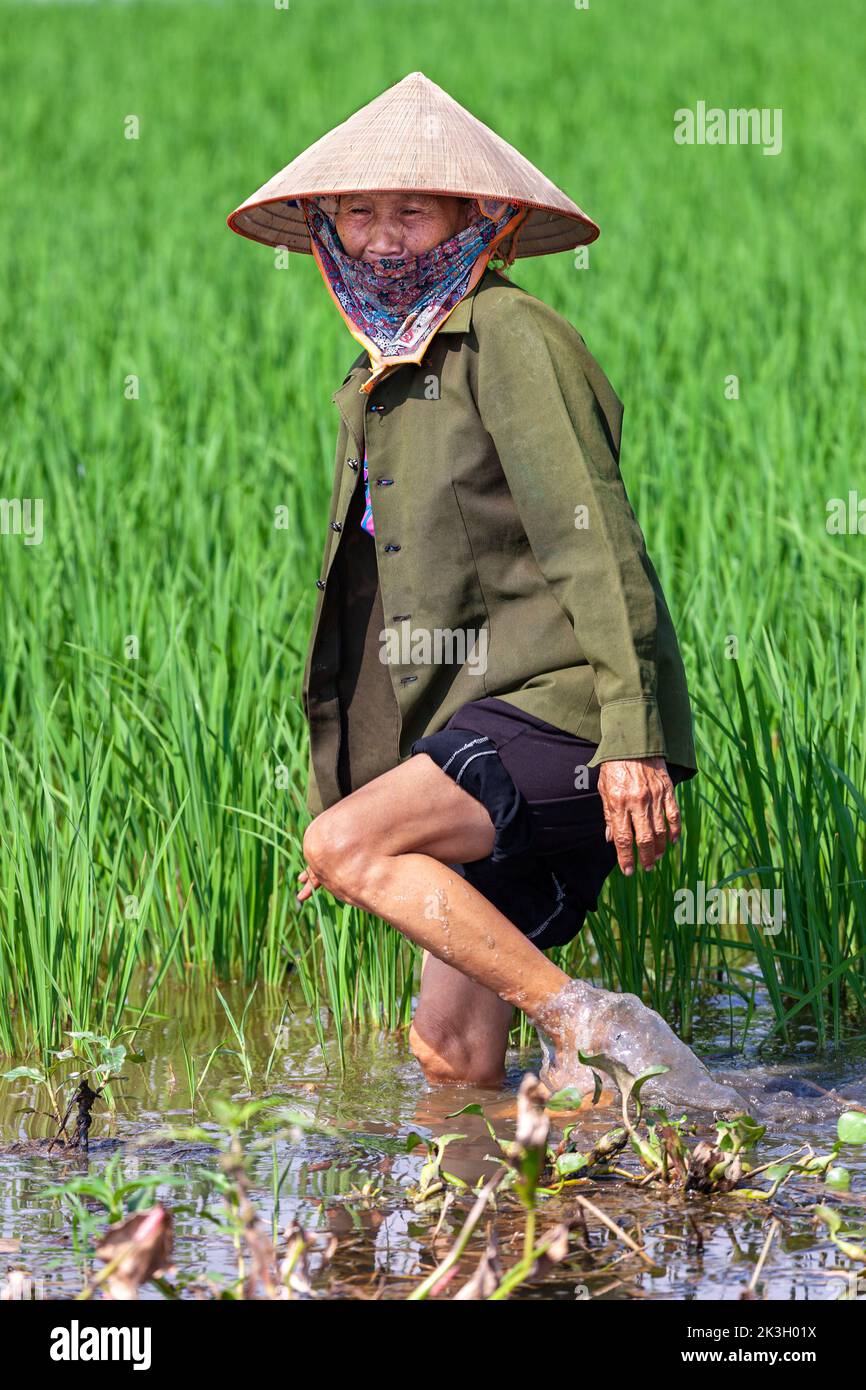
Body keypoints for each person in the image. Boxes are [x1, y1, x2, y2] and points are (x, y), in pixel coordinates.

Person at [228, 72, 718, 1102]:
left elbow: (592, 539)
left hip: (561, 715)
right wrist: (358, 794)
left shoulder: (510, 337)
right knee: (449, 1057)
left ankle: (595, 1029)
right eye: (358, 212)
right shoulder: (379, 379)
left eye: (411, 209)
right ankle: (511, 1243)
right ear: (328, 226)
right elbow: (366, 609)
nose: (381, 236)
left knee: (347, 847)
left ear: (473, 219)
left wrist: (632, 740)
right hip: (473, 732)